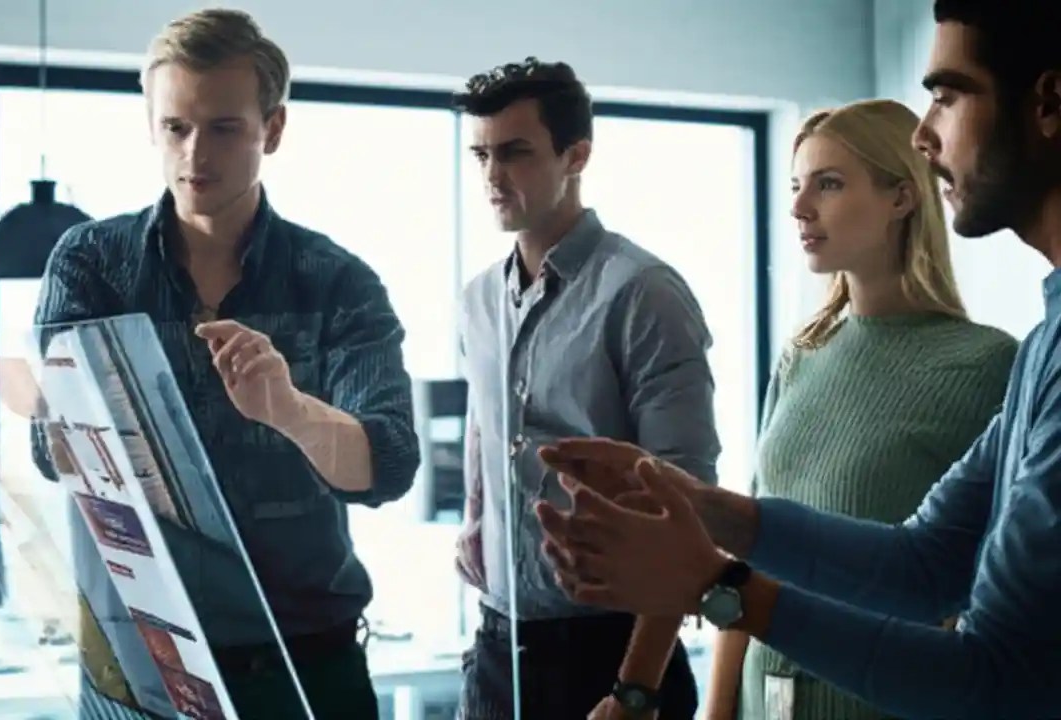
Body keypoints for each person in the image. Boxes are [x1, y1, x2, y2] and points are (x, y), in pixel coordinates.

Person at [535, 1, 1061, 717]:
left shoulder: (993, 360)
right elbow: (924, 563)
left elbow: (1001, 679)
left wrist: (716, 588)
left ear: (1049, 103)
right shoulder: (1042, 348)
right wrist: (698, 506)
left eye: (946, 95)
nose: (924, 131)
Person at [32, 8, 419, 719]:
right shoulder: (90, 263)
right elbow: (49, 447)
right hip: (140, 660)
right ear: (152, 125)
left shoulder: (337, 280)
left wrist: (291, 410)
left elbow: (388, 463)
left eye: (224, 128)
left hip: (303, 660)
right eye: (176, 127)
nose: (194, 155)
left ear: (273, 129)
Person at [695, 99, 1017, 720]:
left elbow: (980, 595)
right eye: (796, 186)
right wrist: (715, 711)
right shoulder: (800, 359)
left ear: (902, 196)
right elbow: (748, 554)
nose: (798, 208)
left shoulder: (984, 364)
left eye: (829, 184)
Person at [452, 57, 720, 720]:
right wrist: (475, 520)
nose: (491, 175)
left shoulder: (644, 294)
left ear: (576, 155)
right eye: (481, 153)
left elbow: (688, 507)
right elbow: (484, 422)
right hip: (495, 648)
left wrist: (634, 691)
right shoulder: (479, 299)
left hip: (611, 657)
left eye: (514, 153)